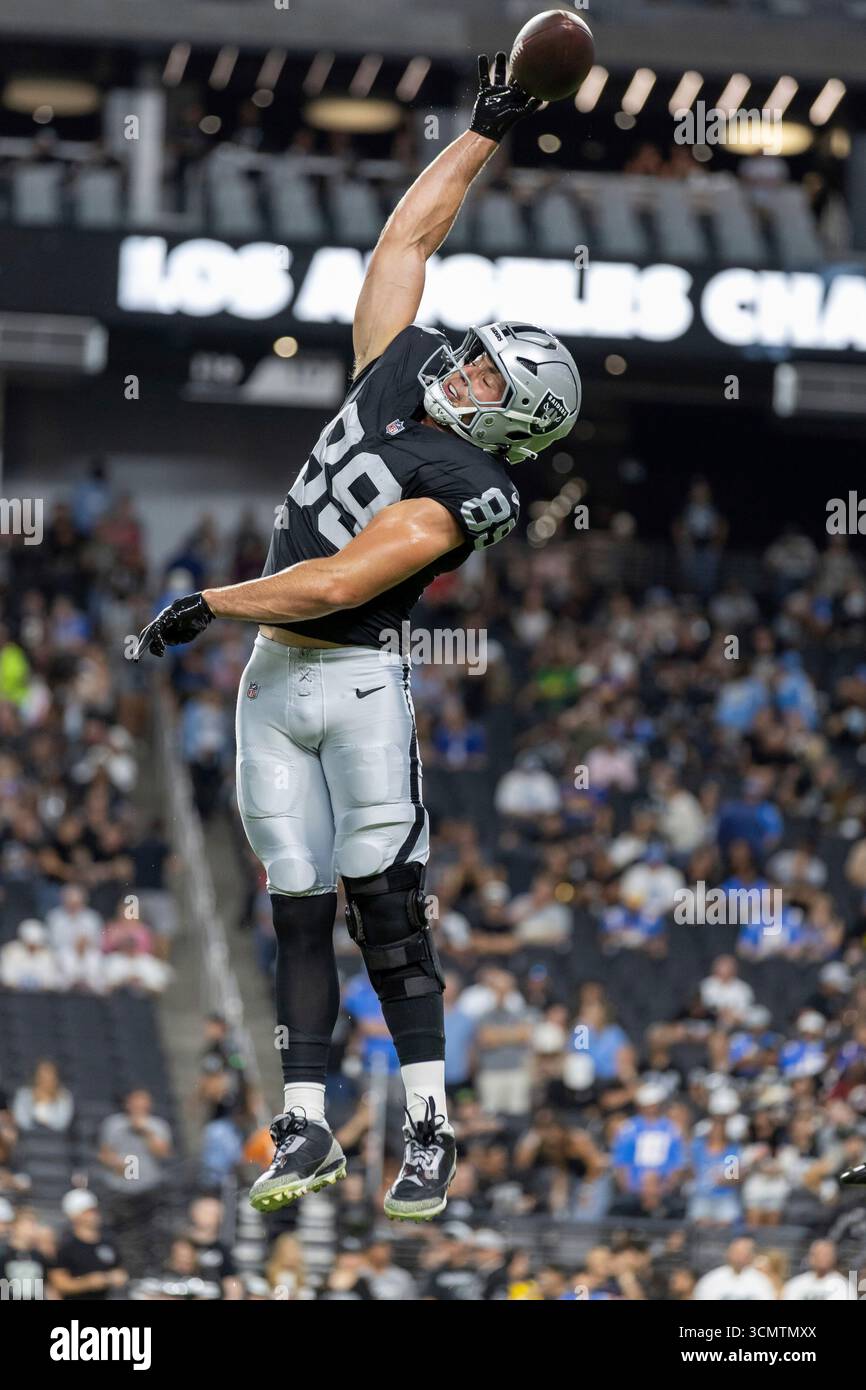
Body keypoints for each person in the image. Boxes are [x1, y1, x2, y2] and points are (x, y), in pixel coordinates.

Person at [135, 52, 581, 1223]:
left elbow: (337, 578)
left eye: (489, 370)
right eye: (477, 352)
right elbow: (402, 248)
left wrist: (213, 598)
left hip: (351, 679)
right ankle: (306, 1125)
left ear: (511, 416)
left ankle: (429, 1130)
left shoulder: (467, 484)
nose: (465, 362)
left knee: (384, 904)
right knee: (289, 901)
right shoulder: (400, 377)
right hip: (274, 682)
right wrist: (482, 130)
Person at [49, 1190, 127, 1300]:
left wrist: (116, 1277)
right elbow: (59, 1283)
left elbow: (118, 1269)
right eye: (88, 1211)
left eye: (94, 1210)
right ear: (75, 1215)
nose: (94, 1215)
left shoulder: (108, 1242)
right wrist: (86, 1283)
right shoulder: (65, 1245)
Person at [692, 1237, 776, 1301]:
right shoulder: (712, 1279)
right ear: (728, 1253)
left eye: (744, 1253)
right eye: (736, 1252)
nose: (739, 1257)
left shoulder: (761, 1281)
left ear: (751, 1255)